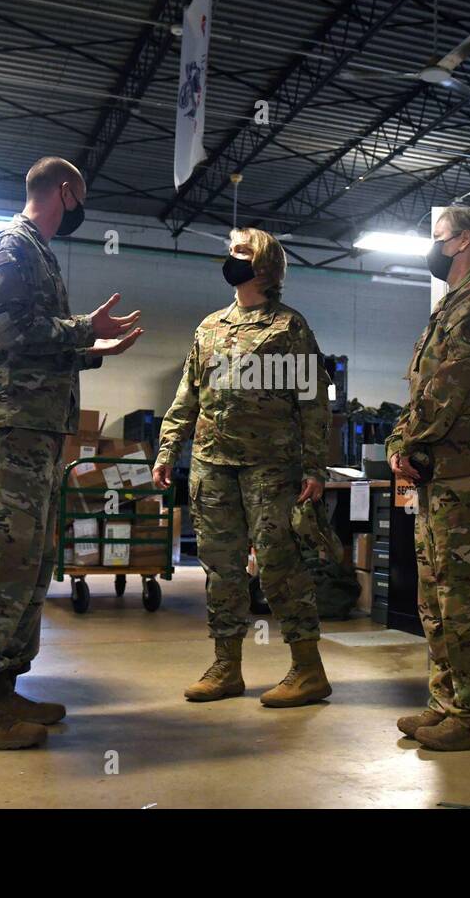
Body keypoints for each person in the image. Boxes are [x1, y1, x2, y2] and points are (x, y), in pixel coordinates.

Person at [0, 157, 143, 749]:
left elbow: (31, 344)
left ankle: (0, 690)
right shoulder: (11, 244)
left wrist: (91, 346)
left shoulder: (35, 251)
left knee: (28, 565)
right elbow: (5, 330)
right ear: (64, 191)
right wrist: (84, 330)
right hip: (8, 430)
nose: (81, 208)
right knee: (1, 564)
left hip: (33, 433)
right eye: (80, 197)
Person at [152, 228, 332, 706]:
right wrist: (168, 448)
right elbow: (187, 394)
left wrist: (316, 467)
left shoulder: (287, 328)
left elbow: (313, 401)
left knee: (278, 565)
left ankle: (308, 668)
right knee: (220, 568)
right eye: (230, 251)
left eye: (242, 252)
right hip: (212, 464)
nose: (231, 258)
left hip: (271, 467)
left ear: (266, 265)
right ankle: (226, 666)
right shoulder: (208, 327)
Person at [386, 206, 470, 752]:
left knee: (468, 599)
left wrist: (407, 440)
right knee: (436, 597)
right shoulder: (454, 303)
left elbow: (449, 387)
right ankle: (448, 704)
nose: (432, 246)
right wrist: (404, 439)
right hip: (445, 473)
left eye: (438, 237)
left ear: (464, 241)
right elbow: (424, 390)